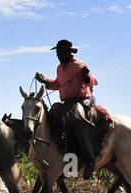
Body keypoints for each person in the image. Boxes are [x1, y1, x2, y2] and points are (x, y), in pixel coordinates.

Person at [34, 39, 100, 178]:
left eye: (60, 52)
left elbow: (91, 82)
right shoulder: (60, 68)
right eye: (57, 52)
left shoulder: (79, 65)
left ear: (68, 52)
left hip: (80, 101)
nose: (58, 54)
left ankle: (89, 160)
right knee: (50, 116)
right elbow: (58, 83)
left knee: (75, 120)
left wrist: (86, 77)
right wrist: (45, 80)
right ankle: (57, 155)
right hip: (66, 103)